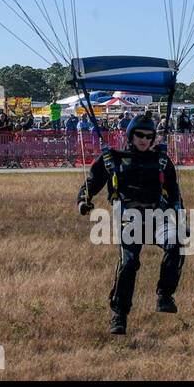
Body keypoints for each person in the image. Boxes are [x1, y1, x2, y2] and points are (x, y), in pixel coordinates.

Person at [76, 113, 185, 335]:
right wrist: (83, 201)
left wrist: (180, 217)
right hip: (130, 219)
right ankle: (119, 316)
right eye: (139, 135)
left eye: (149, 136)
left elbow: (174, 194)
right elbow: (91, 184)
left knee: (176, 244)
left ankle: (165, 296)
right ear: (130, 135)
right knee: (128, 264)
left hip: (157, 217)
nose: (144, 140)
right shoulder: (113, 160)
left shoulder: (161, 161)